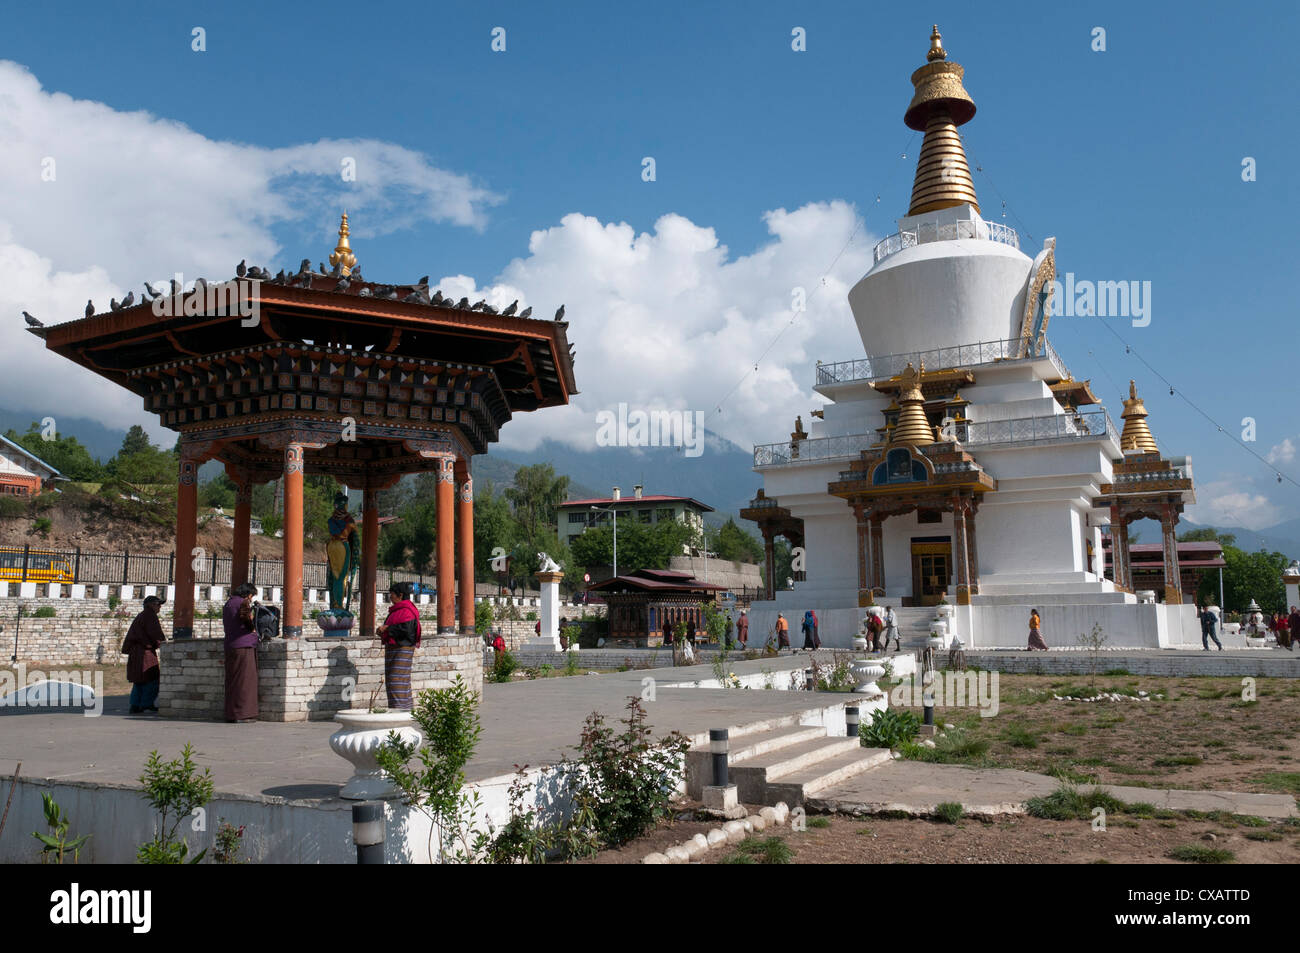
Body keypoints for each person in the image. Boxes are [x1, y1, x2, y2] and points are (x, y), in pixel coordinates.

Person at [377, 582, 421, 710]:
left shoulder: (407, 610)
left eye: (392, 595)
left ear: (400, 595)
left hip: (403, 649)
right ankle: (399, 708)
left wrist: (388, 628)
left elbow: (407, 630)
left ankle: (400, 709)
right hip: (393, 649)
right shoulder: (397, 610)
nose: (390, 597)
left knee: (397, 680)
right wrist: (383, 630)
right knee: (393, 680)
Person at [223, 583, 259, 723]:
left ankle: (231, 713)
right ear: (248, 594)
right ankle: (242, 713)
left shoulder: (229, 603)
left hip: (231, 644)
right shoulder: (242, 603)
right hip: (243, 646)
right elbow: (245, 618)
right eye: (251, 596)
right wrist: (253, 629)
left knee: (233, 680)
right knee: (245, 680)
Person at [123, 595, 166, 714]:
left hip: (136, 651)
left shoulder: (142, 615)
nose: (160, 607)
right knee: (151, 678)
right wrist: (162, 643)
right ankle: (146, 703)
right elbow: (155, 633)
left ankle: (135, 705)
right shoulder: (149, 615)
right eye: (158, 604)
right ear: (151, 605)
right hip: (144, 652)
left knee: (140, 680)